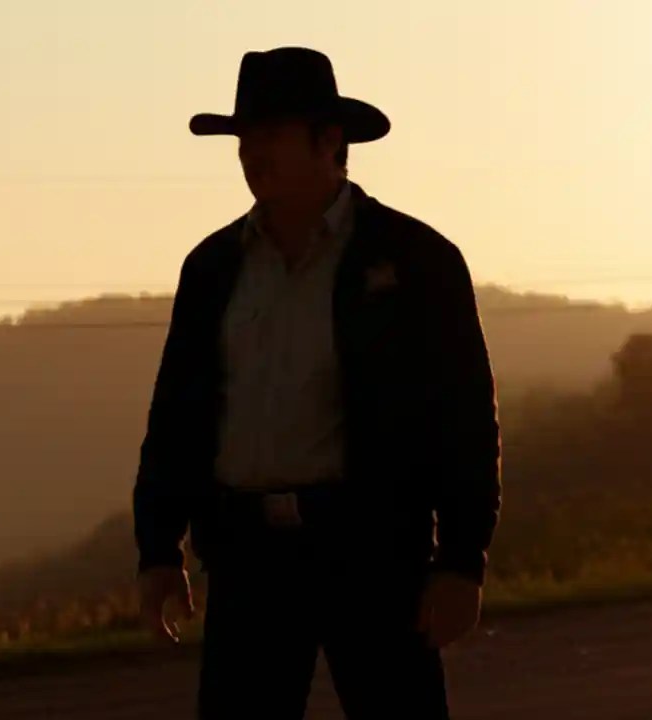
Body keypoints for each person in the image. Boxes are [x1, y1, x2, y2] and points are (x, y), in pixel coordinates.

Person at [131, 46, 502, 719]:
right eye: (243, 139)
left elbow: (465, 419)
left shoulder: (417, 260)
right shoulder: (212, 267)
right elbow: (178, 413)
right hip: (247, 561)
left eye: (269, 135)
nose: (251, 154)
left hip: (374, 555)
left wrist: (461, 561)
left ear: (330, 141)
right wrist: (158, 547)